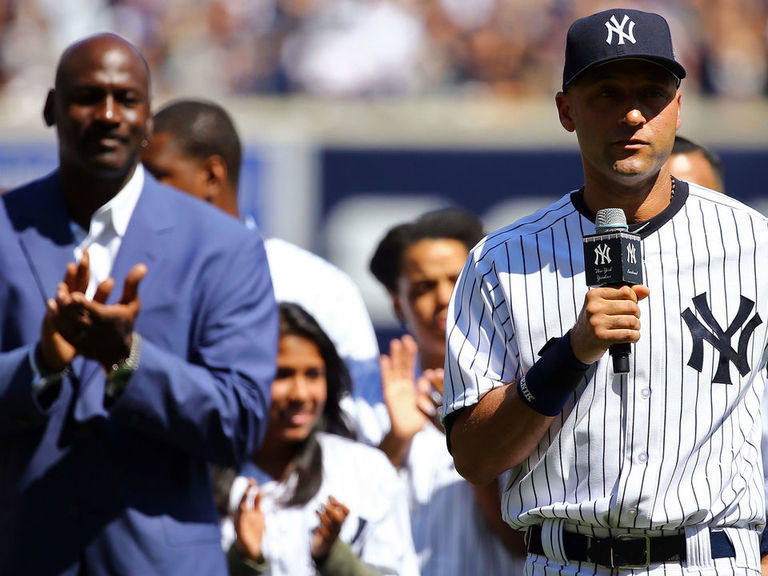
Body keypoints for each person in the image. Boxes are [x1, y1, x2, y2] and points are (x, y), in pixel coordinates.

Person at [443, 8, 768, 575]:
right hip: (563, 559)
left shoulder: (754, 244)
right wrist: (569, 356)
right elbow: (474, 458)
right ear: (566, 111)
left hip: (708, 558)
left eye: (652, 93)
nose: (633, 114)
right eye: (607, 93)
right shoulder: (501, 260)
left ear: (678, 106)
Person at [0, 34, 277, 575]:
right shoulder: (7, 227)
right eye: (88, 96)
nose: (108, 115)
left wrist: (126, 360)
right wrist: (41, 364)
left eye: (126, 99)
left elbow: (241, 420)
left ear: (148, 120)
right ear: (52, 108)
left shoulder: (222, 246)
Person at [140, 98, 387, 446]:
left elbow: (361, 429)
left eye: (156, 177)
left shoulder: (318, 287)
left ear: (212, 175)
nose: (140, 193)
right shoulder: (134, 277)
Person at [369, 208, 525, 575]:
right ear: (397, 303)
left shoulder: (520, 389)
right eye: (423, 287)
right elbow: (341, 520)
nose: (443, 297)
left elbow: (522, 542)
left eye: (457, 279)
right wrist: (395, 440)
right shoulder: (367, 394)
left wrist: (468, 440)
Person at [221, 302, 419, 576]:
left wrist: (335, 560)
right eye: (282, 375)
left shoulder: (367, 470)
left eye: (313, 374)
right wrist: (243, 560)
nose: (300, 394)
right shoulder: (199, 476)